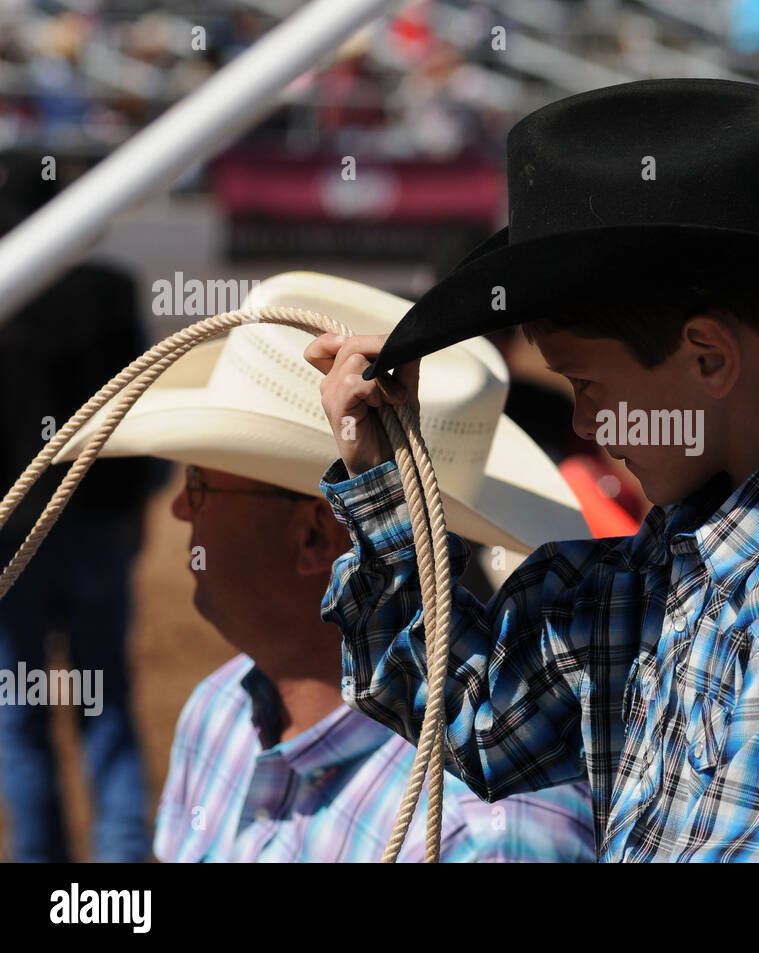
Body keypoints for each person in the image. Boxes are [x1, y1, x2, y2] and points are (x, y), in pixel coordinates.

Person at [308, 78, 759, 862]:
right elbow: (476, 716)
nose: (582, 423)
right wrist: (382, 477)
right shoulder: (664, 570)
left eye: (588, 386)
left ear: (709, 358)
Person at [49, 271, 597, 861]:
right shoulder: (218, 711)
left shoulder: (490, 837)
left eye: (201, 485)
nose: (182, 509)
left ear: (312, 535)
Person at [0, 152, 163, 862]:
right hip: (99, 526)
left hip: (11, 538)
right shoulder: (109, 288)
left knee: (20, 717)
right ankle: (121, 871)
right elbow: (143, 414)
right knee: (107, 706)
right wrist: (138, 506)